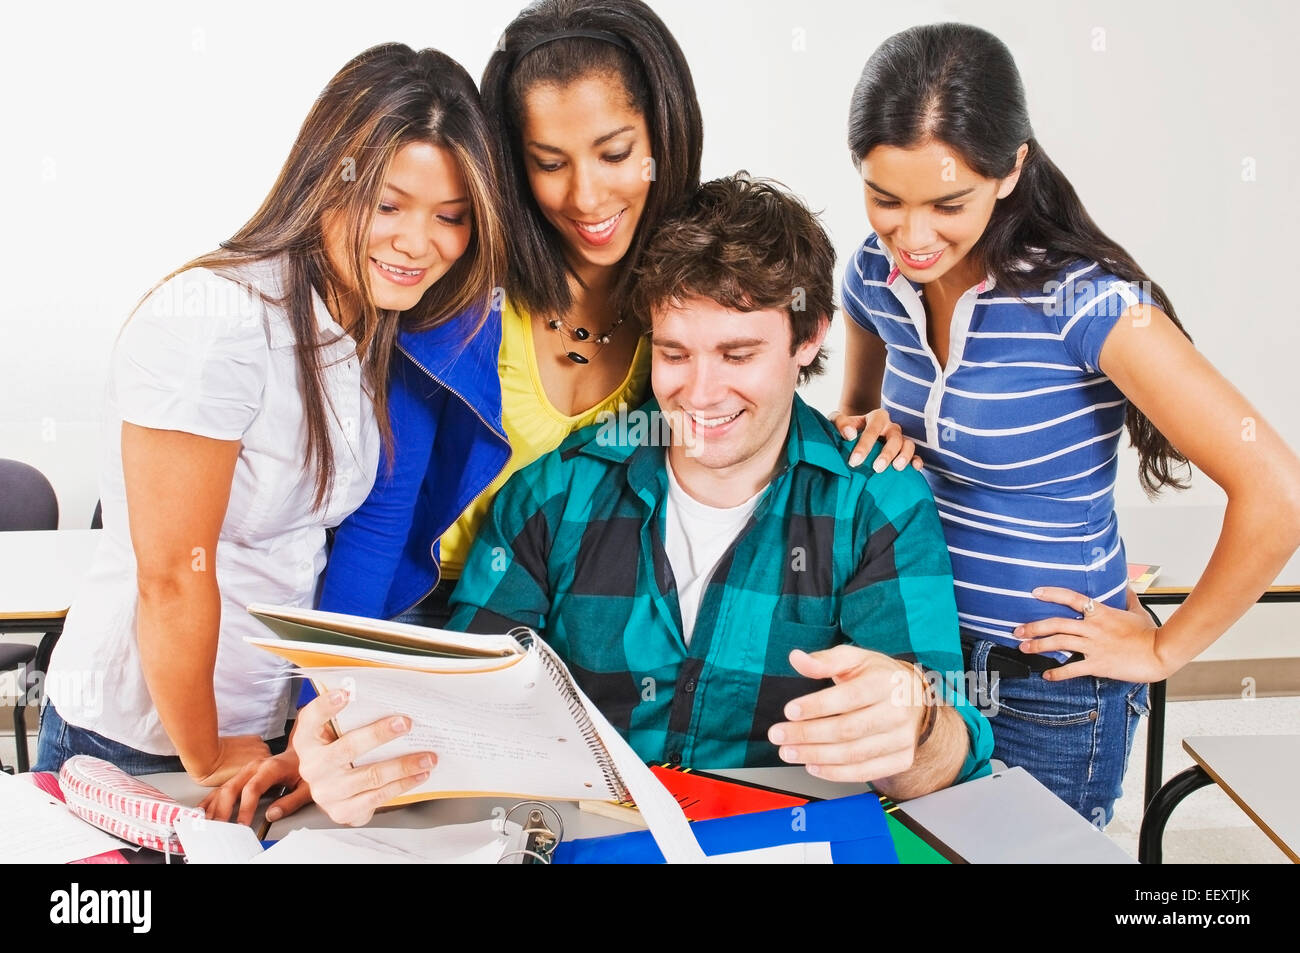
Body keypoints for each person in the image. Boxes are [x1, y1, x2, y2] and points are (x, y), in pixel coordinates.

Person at [264, 174, 994, 827]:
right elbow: (460, 733)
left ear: (809, 338)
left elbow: (946, 769)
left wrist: (918, 724)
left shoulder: (878, 503)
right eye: (675, 354)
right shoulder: (551, 497)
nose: (700, 394)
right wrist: (351, 760)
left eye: (738, 355)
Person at [834, 23, 1300, 823]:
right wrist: (869, 433)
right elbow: (853, 418)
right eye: (885, 199)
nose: (912, 236)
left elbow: (1277, 489)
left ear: (1011, 168)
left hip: (1045, 691)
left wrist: (1161, 648)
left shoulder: (1086, 303)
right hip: (913, 660)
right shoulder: (874, 277)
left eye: (948, 203)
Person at [34, 44, 506, 786]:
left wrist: (290, 730)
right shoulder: (215, 323)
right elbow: (171, 578)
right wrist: (208, 752)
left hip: (260, 728)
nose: (420, 243)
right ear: (324, 180)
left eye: (451, 217)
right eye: (388, 206)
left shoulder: (370, 325)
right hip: (143, 736)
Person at [314, 0, 705, 633]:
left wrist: (855, 428)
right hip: (426, 606)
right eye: (550, 163)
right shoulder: (463, 295)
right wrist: (322, 696)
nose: (585, 196)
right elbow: (383, 519)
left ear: (664, 133)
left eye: (614, 154)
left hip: (587, 624)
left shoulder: (689, 304)